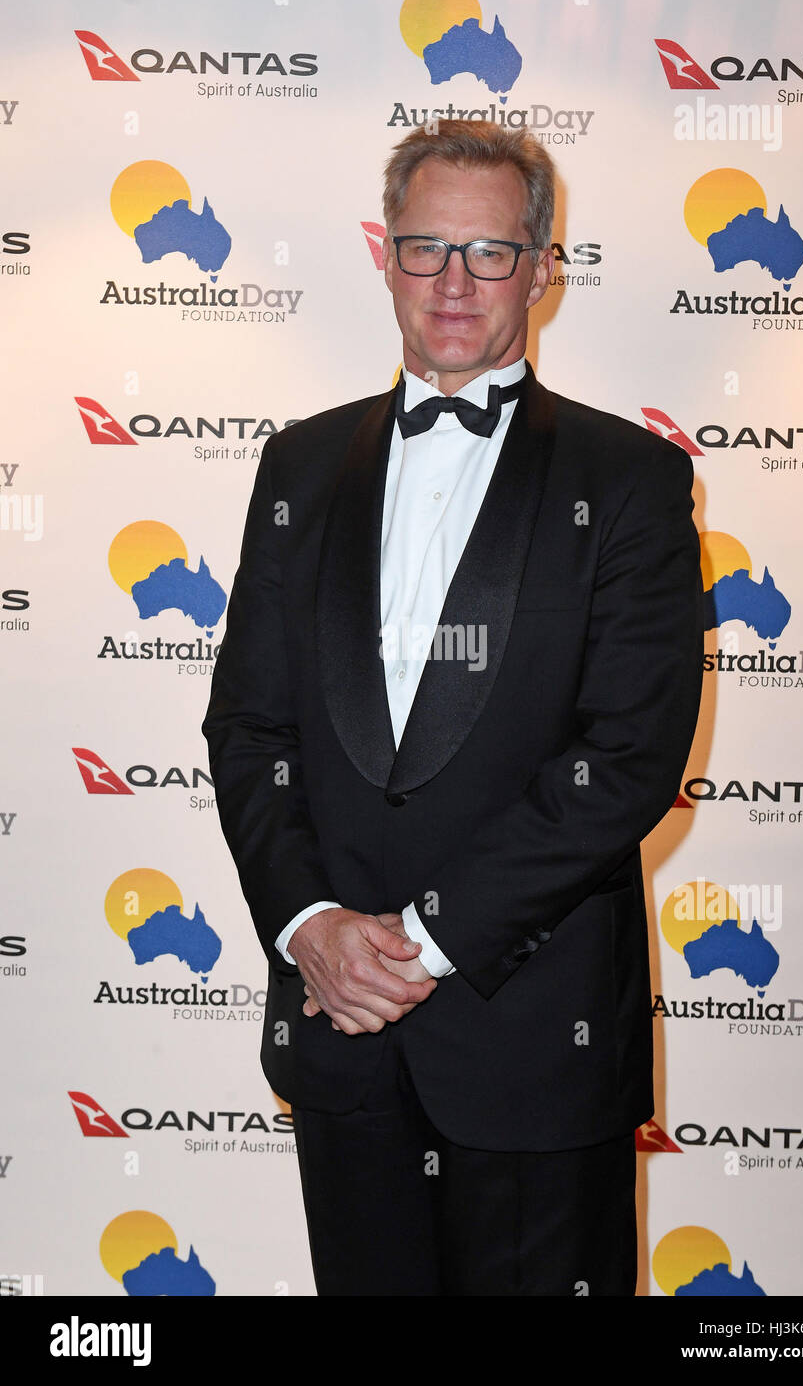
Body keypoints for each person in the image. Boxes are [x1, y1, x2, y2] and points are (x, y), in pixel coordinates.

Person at [202, 119, 703, 1297]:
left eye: (489, 254)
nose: (454, 283)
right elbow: (249, 730)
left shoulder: (626, 480)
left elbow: (626, 758)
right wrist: (313, 925)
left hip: (530, 1040)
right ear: (381, 255)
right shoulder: (297, 466)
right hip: (342, 1037)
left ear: (542, 266)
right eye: (426, 248)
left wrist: (420, 943)